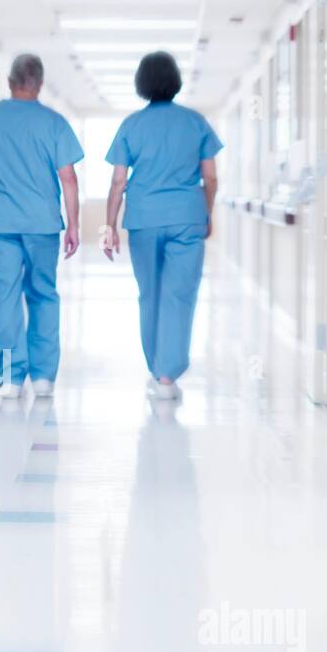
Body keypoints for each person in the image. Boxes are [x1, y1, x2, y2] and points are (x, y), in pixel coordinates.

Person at [0, 53, 84, 400]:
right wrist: (73, 224)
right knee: (43, 293)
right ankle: (43, 377)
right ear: (39, 85)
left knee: (3, 297)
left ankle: (11, 378)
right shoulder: (54, 123)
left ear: (10, 82)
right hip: (42, 224)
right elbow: (68, 179)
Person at [103, 51, 222, 400]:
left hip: (143, 219)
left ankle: (156, 368)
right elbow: (211, 177)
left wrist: (109, 225)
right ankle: (167, 375)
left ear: (142, 84)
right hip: (187, 218)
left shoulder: (131, 126)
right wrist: (206, 212)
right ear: (176, 82)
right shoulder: (196, 122)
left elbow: (117, 183)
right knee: (179, 295)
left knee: (149, 293)